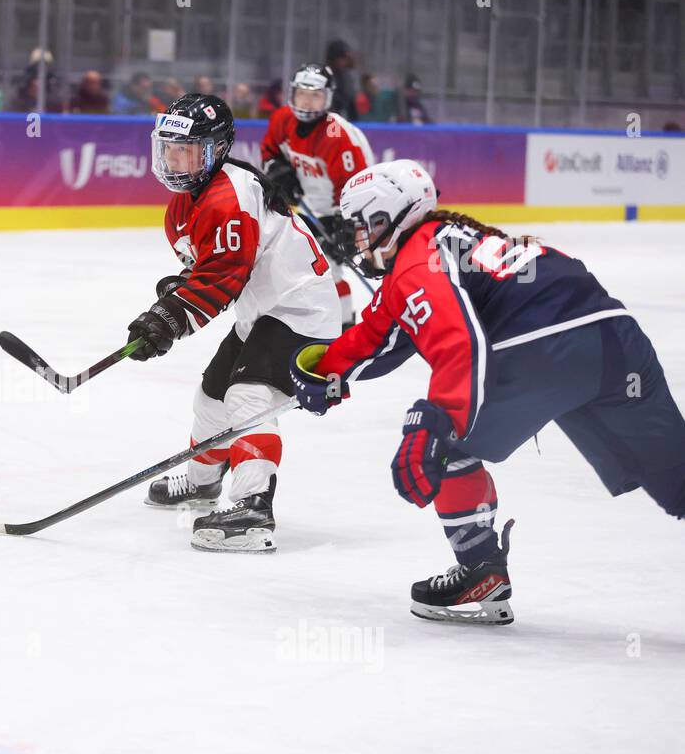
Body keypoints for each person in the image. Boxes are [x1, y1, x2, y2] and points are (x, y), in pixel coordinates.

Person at [290, 160, 685, 624]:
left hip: (546, 350)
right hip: (616, 341)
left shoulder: (419, 258)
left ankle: (480, 569)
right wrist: (326, 370)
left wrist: (434, 422)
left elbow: (459, 341)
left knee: (445, 448)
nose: (357, 238)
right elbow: (383, 333)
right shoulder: (452, 241)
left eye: (362, 224)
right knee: (678, 478)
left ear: (389, 217)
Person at [127, 94, 341, 552]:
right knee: (211, 396)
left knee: (248, 397)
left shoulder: (227, 198)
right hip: (263, 311)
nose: (174, 161)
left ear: (216, 150)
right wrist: (176, 297)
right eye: (169, 149)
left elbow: (222, 278)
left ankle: (253, 509)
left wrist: (169, 317)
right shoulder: (187, 204)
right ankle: (204, 481)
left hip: (300, 311)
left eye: (186, 151)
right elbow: (211, 269)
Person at [259, 63, 374, 328]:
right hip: (307, 210)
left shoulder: (338, 135)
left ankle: (343, 327)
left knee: (329, 272)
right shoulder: (282, 119)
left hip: (339, 213)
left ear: (328, 98)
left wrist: (347, 226)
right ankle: (305, 324)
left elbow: (357, 187)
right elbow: (270, 151)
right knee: (291, 268)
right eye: (302, 94)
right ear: (292, 94)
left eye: (315, 95)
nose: (307, 102)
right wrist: (278, 170)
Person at [324, 39, 358, 120]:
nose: (345, 62)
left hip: (344, 120)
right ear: (333, 59)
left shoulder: (346, 77)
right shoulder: (324, 76)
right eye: (342, 58)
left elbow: (351, 104)